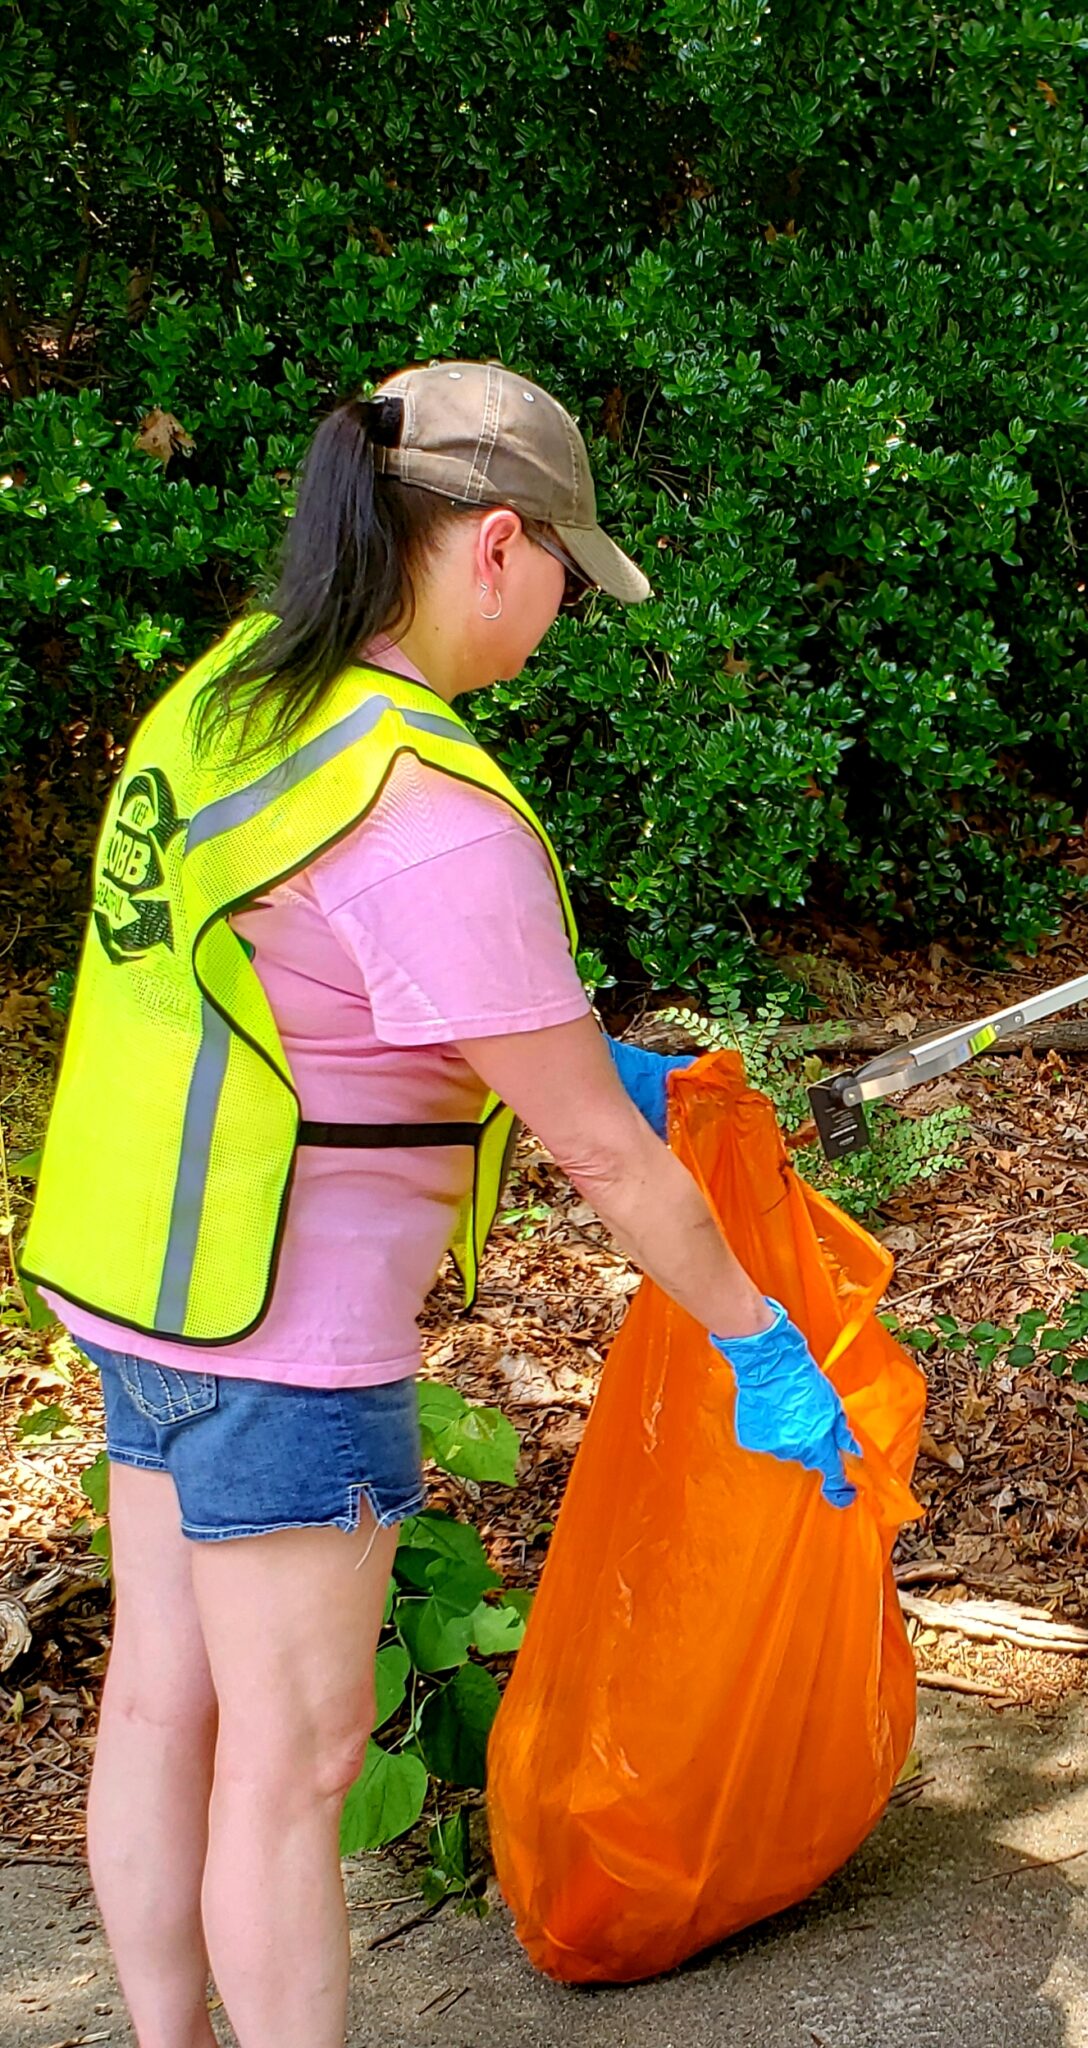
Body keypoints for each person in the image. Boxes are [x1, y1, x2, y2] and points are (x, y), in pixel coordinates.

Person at [22, 361, 860, 2048]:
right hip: (290, 1336)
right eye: (567, 570)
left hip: (138, 1289)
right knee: (295, 1764)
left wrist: (585, 1059)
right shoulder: (427, 802)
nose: (564, 606)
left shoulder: (236, 702)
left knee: (163, 1712)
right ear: (494, 544)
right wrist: (759, 1343)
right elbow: (611, 1166)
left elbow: (304, 986)